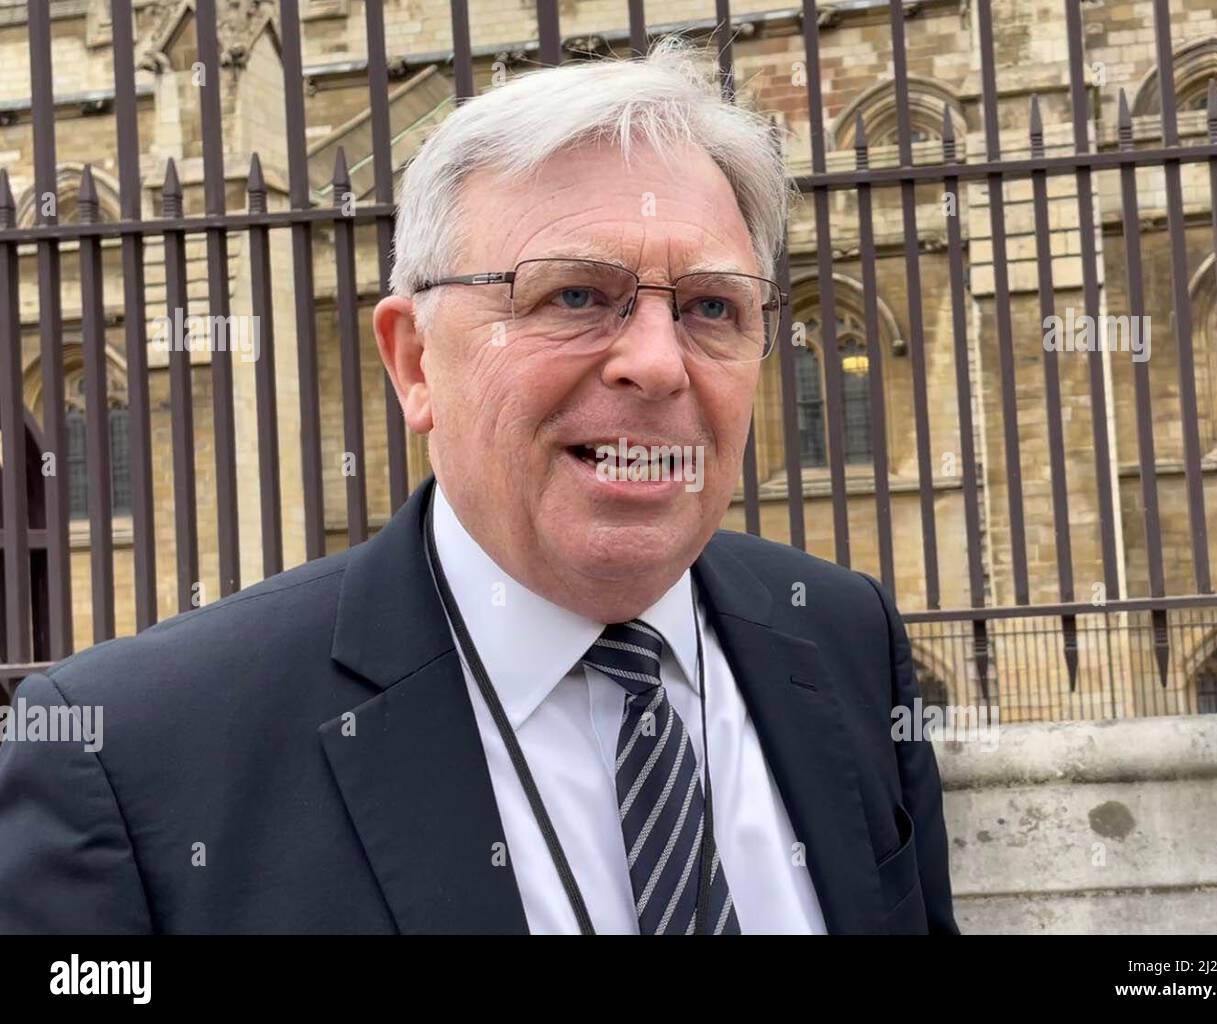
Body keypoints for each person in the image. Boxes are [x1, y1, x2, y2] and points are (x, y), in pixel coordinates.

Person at [0, 38, 956, 935]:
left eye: (713, 307)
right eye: (574, 296)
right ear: (416, 362)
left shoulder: (846, 638)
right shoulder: (127, 755)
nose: (659, 365)